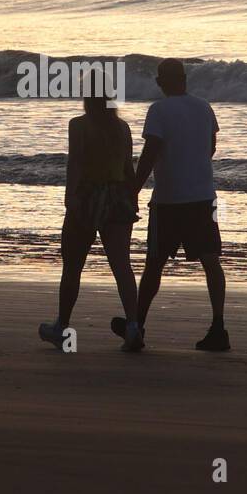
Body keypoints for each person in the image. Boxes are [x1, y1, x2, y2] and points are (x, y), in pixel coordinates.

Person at [113, 58, 229, 351]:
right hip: (203, 196)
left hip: (169, 200)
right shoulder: (204, 107)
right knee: (210, 259)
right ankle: (218, 326)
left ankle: (137, 325)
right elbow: (211, 147)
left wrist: (134, 190)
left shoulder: (159, 110)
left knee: (154, 263)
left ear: (160, 82)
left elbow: (151, 152)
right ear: (185, 78)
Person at [39, 88, 144, 352]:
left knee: (73, 266)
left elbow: (75, 162)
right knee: (122, 265)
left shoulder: (79, 125)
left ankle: (62, 328)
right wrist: (133, 199)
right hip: (117, 196)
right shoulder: (122, 128)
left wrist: (69, 196)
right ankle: (133, 326)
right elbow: (128, 169)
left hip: (87, 195)